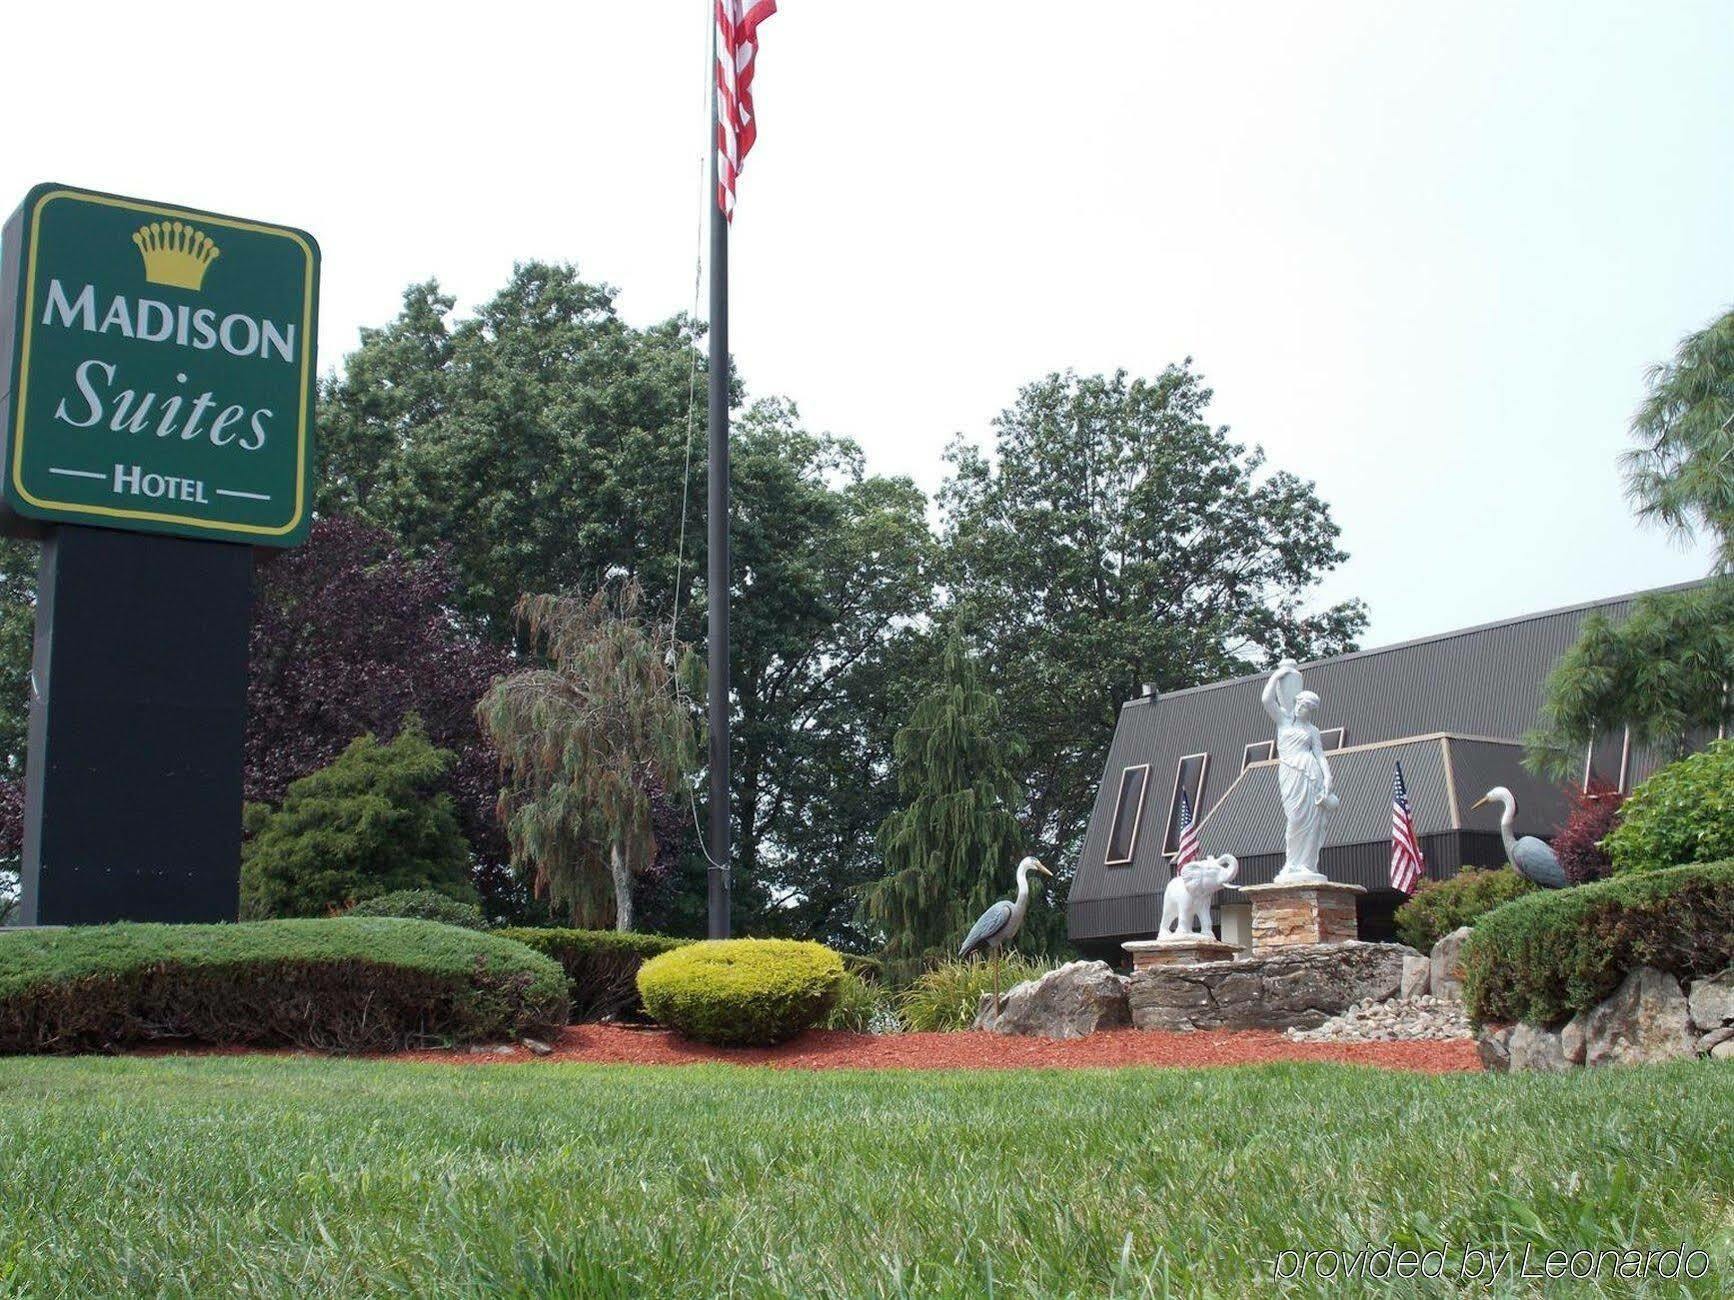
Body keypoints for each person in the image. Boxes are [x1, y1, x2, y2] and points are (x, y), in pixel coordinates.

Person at [1261, 659, 1338, 881]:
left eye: (1309, 708)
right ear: (1297, 703)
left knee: (1313, 819)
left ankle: (1306, 864)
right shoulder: (1283, 720)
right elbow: (1267, 700)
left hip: (1311, 773)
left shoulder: (1312, 730)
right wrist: (1277, 675)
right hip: (1290, 771)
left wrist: (1328, 778)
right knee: (1294, 817)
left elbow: (1320, 755)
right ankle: (1291, 863)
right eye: (1303, 705)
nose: (1304, 710)